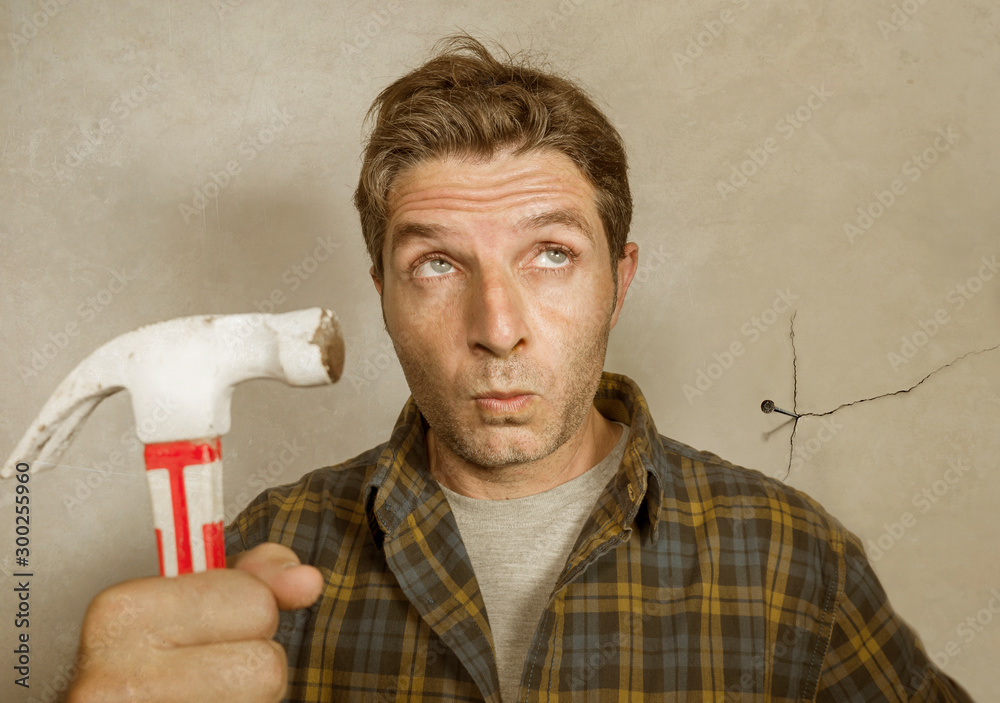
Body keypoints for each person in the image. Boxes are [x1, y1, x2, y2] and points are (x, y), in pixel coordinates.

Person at [68, 35, 974, 702]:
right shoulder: (266, 561)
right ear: (381, 289)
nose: (497, 328)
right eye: (436, 262)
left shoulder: (790, 559)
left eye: (550, 254)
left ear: (619, 281)